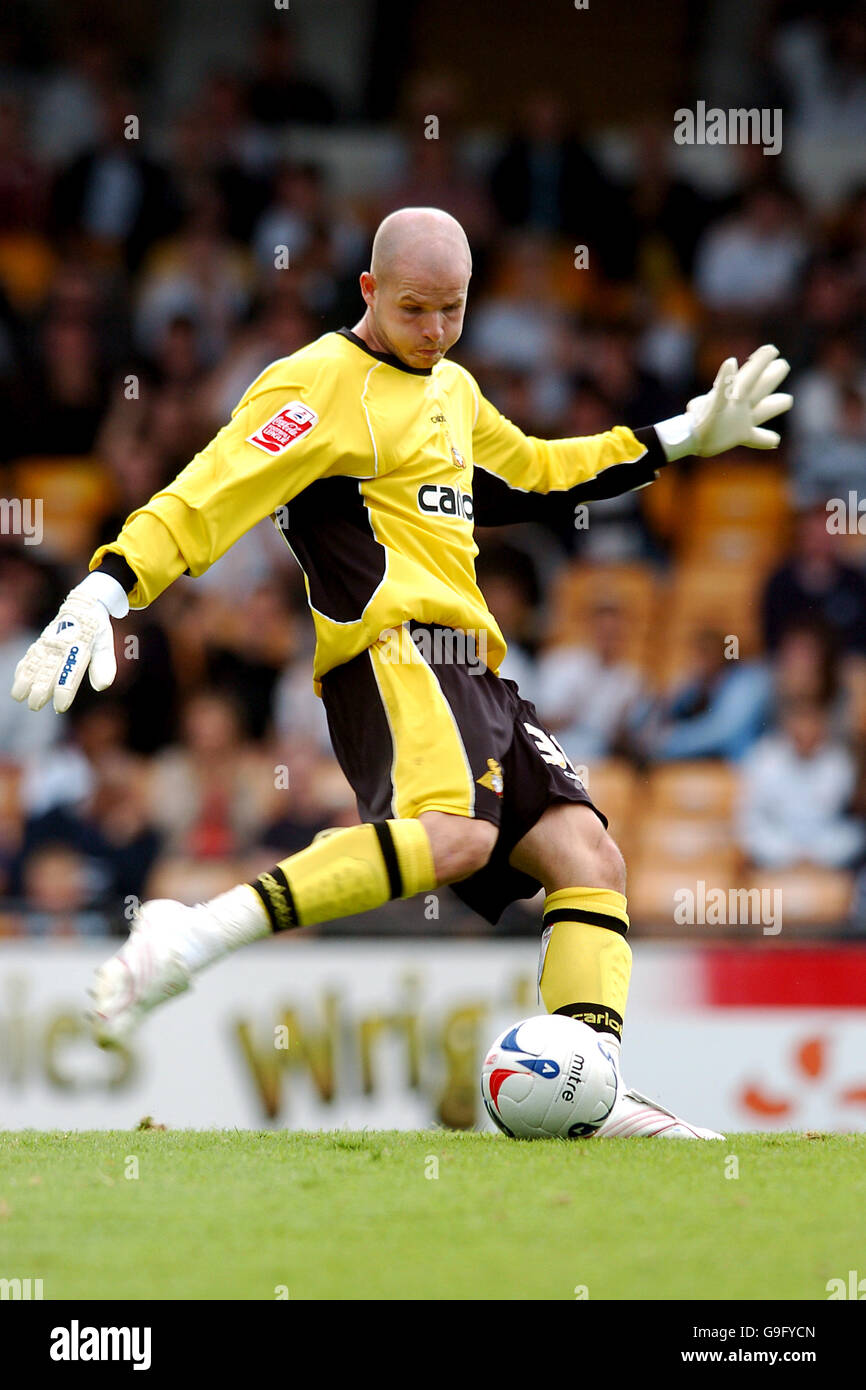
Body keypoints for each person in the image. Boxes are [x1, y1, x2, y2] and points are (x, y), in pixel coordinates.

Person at [10, 207, 793, 1139]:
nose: (433, 332)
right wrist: (106, 587)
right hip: (392, 654)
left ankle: (590, 1085)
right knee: (454, 837)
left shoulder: (454, 391)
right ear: (369, 291)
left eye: (453, 312)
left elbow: (539, 473)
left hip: (477, 669)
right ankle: (197, 931)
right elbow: (204, 495)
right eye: (415, 310)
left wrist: (679, 436)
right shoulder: (314, 387)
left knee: (589, 854)